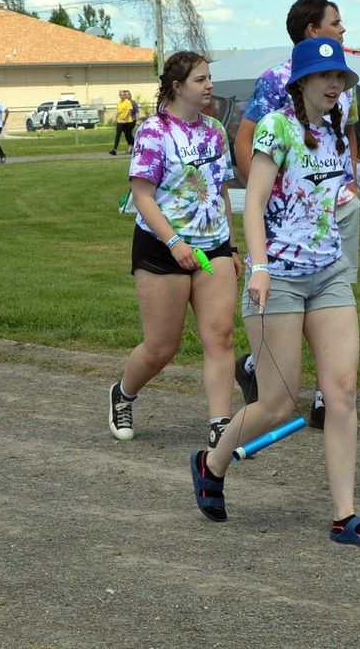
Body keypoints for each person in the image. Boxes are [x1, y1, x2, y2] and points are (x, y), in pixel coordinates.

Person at [190, 38, 360, 550]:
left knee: (342, 392)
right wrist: (258, 268)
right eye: (325, 77)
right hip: (278, 276)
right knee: (278, 404)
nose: (334, 85)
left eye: (340, 77)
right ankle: (212, 464)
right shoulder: (277, 127)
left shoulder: (335, 129)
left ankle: (345, 517)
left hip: (328, 274)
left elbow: (330, 189)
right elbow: (254, 203)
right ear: (300, 83)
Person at [232, 0, 360, 427]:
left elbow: (345, 134)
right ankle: (259, 368)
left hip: (332, 212)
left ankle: (329, 393)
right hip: (284, 230)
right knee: (278, 399)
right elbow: (248, 141)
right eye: (336, 22)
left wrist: (350, 183)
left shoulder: (341, 85)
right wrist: (273, 200)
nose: (343, 29)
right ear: (313, 30)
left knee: (335, 296)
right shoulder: (276, 81)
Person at [107, 51, 241, 450]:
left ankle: (220, 424)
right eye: (201, 79)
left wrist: (232, 245)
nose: (209, 85)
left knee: (221, 337)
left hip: (213, 246)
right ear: (178, 86)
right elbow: (142, 196)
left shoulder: (215, 129)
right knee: (161, 347)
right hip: (162, 249)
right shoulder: (153, 131)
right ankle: (123, 394)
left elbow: (219, 191)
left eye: (209, 78)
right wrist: (174, 242)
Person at [109, 90, 135, 155]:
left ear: (125, 95)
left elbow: (129, 111)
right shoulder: (119, 103)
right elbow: (118, 111)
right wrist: (115, 118)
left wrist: (124, 118)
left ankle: (136, 147)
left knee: (129, 136)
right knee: (117, 135)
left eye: (123, 95)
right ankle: (114, 150)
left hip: (128, 122)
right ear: (119, 95)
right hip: (120, 121)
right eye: (120, 95)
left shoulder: (127, 102)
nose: (122, 96)